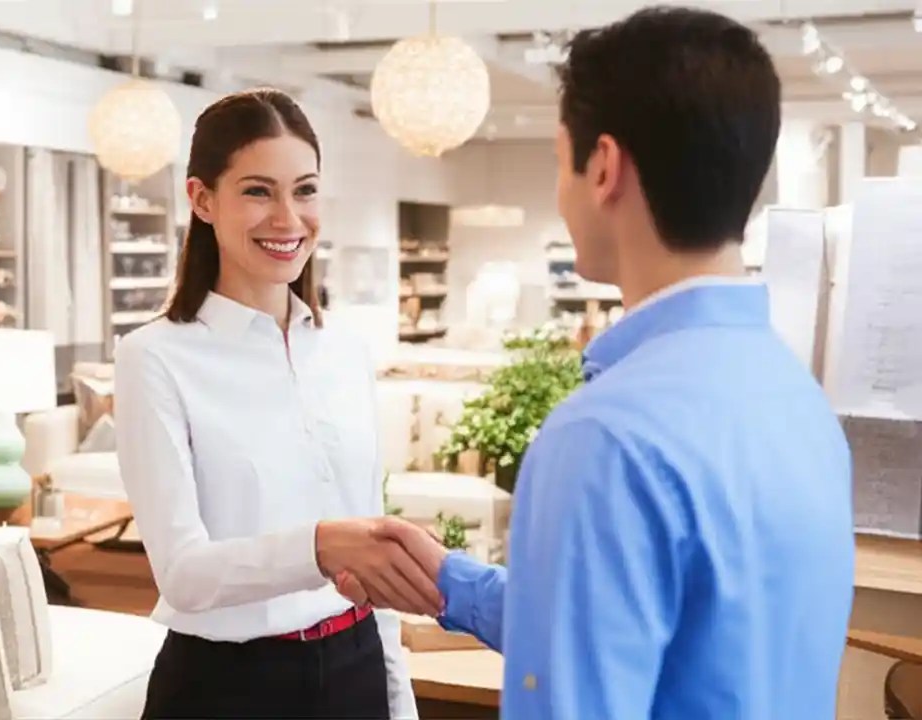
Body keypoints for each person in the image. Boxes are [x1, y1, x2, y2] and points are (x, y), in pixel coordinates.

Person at [337, 7, 855, 719]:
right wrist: (456, 584)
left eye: (560, 162)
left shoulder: (604, 436)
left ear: (604, 167)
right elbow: (671, 638)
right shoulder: (797, 397)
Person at [113, 88, 439, 720]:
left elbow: (371, 551)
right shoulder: (155, 357)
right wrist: (321, 546)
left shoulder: (344, 351)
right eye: (259, 191)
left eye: (306, 190)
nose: (288, 218)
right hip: (226, 686)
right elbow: (183, 573)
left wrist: (399, 702)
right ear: (202, 199)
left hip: (356, 666)